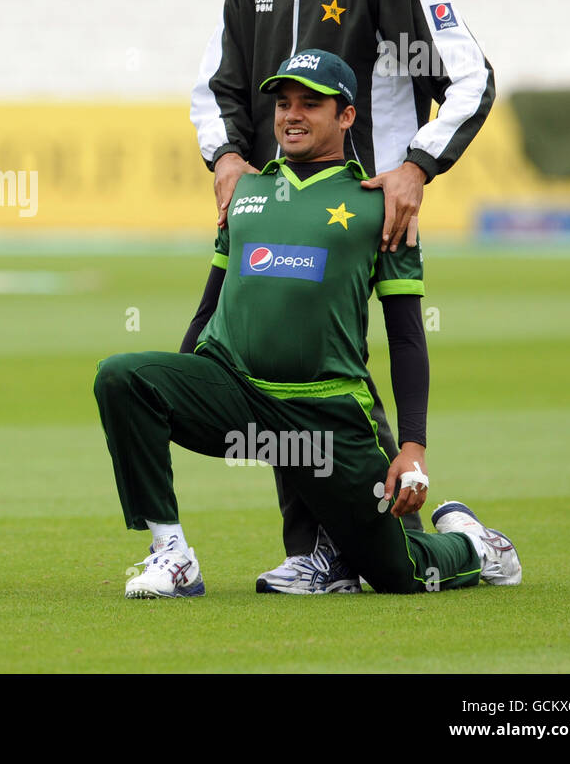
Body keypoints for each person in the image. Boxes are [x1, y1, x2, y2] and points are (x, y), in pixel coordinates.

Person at [186, 0, 496, 592]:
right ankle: (330, 545)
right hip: (272, 210)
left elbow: (469, 75)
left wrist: (415, 165)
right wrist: (225, 155)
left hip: (365, 214)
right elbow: (214, 85)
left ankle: (387, 541)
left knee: (337, 375)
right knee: (272, 361)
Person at [96, 50, 520, 598]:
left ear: (346, 116)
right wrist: (184, 386)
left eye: (310, 104)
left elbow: (407, 335)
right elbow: (210, 306)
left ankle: (476, 544)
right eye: (283, 103)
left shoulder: (383, 206)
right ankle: (173, 557)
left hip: (326, 417)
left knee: (397, 574)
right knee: (123, 376)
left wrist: (412, 446)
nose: (291, 115)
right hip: (240, 395)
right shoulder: (243, 192)